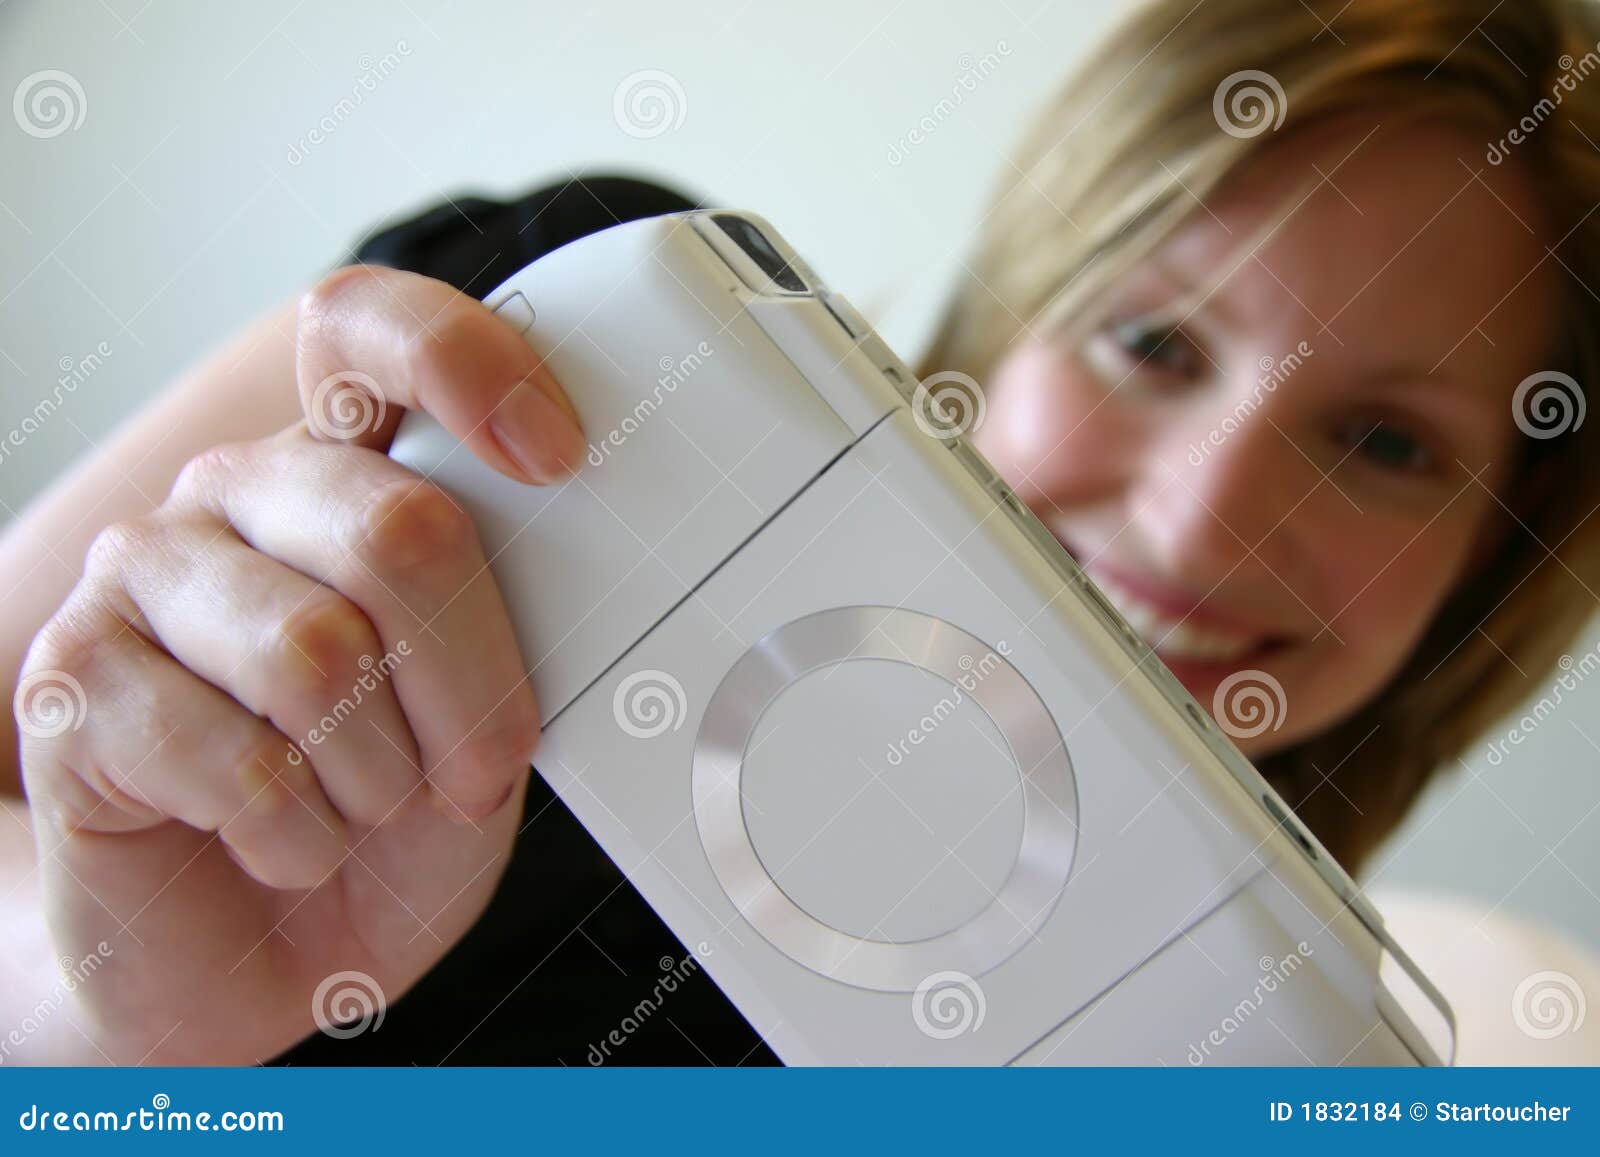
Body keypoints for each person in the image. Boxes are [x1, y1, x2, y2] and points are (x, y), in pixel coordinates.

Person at [3, 0, 1598, 1065]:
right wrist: (112, 983)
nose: (1200, 516)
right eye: (1154, 344)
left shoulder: (1241, 1049)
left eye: (1387, 443)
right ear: (1011, 314)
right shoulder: (562, 354)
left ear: (1494, 557)